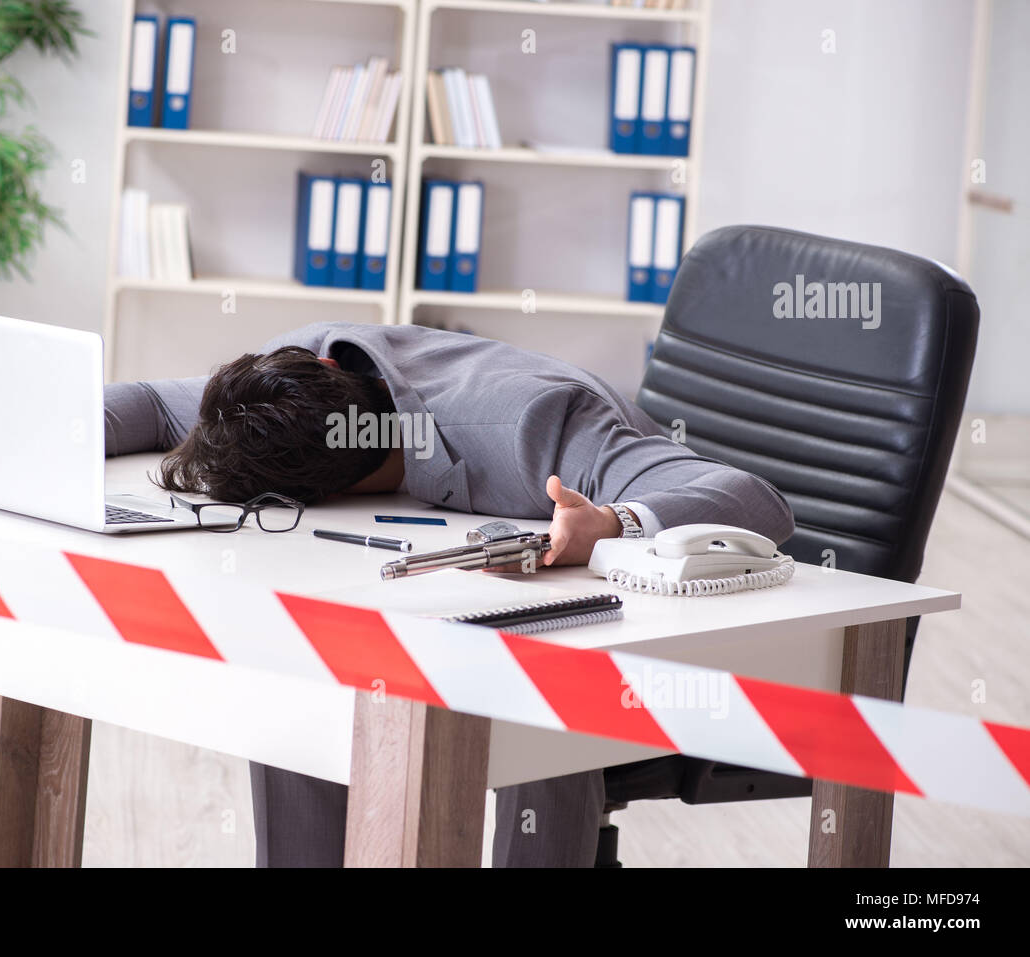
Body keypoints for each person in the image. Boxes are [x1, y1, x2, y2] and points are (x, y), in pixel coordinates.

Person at [105, 321, 795, 867]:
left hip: (659, 627)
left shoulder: (534, 427)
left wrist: (611, 524)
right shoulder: (300, 377)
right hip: (447, 602)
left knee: (540, 701)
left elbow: (755, 499)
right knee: (306, 670)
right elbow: (146, 403)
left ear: (326, 495)